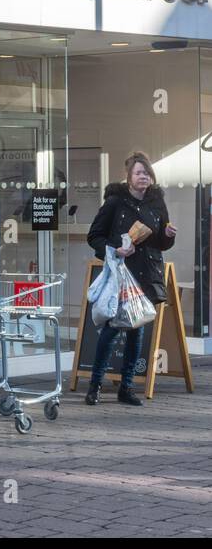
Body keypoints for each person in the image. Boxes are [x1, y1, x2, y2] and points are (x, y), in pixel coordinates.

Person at [84, 151, 176, 407]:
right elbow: (94, 236)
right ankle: (95, 386)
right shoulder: (115, 202)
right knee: (112, 329)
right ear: (129, 176)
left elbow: (161, 242)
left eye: (146, 172)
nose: (143, 176)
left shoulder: (157, 203)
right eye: (139, 172)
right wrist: (115, 249)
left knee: (137, 331)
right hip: (122, 274)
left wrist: (168, 235)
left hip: (146, 274)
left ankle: (127, 387)